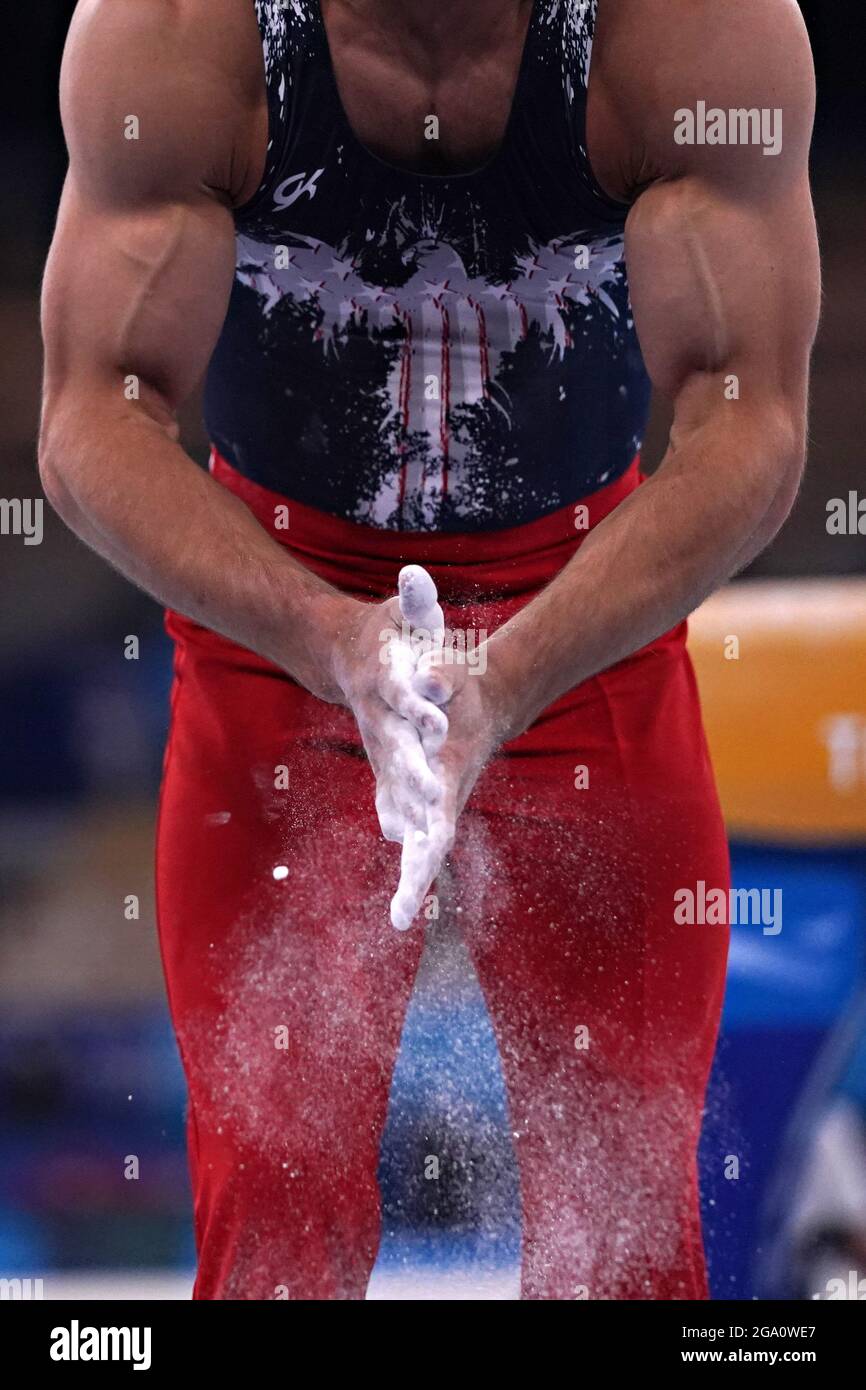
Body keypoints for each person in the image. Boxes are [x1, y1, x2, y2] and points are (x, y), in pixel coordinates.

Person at [39, 0, 820, 1298]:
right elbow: (87, 419)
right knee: (274, 1223)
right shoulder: (179, 33)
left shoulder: (693, 31)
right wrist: (329, 637)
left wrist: (509, 672)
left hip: (582, 623)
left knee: (625, 1223)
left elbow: (750, 427)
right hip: (281, 628)